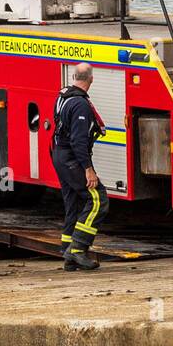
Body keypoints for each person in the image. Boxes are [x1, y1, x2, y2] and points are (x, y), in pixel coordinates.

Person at [51, 63, 109, 272]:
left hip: (59, 155)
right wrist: (88, 169)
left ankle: (68, 252)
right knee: (97, 199)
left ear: (74, 76)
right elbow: (78, 141)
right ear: (91, 79)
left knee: (73, 203)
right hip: (71, 157)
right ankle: (78, 249)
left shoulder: (62, 96)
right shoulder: (80, 105)